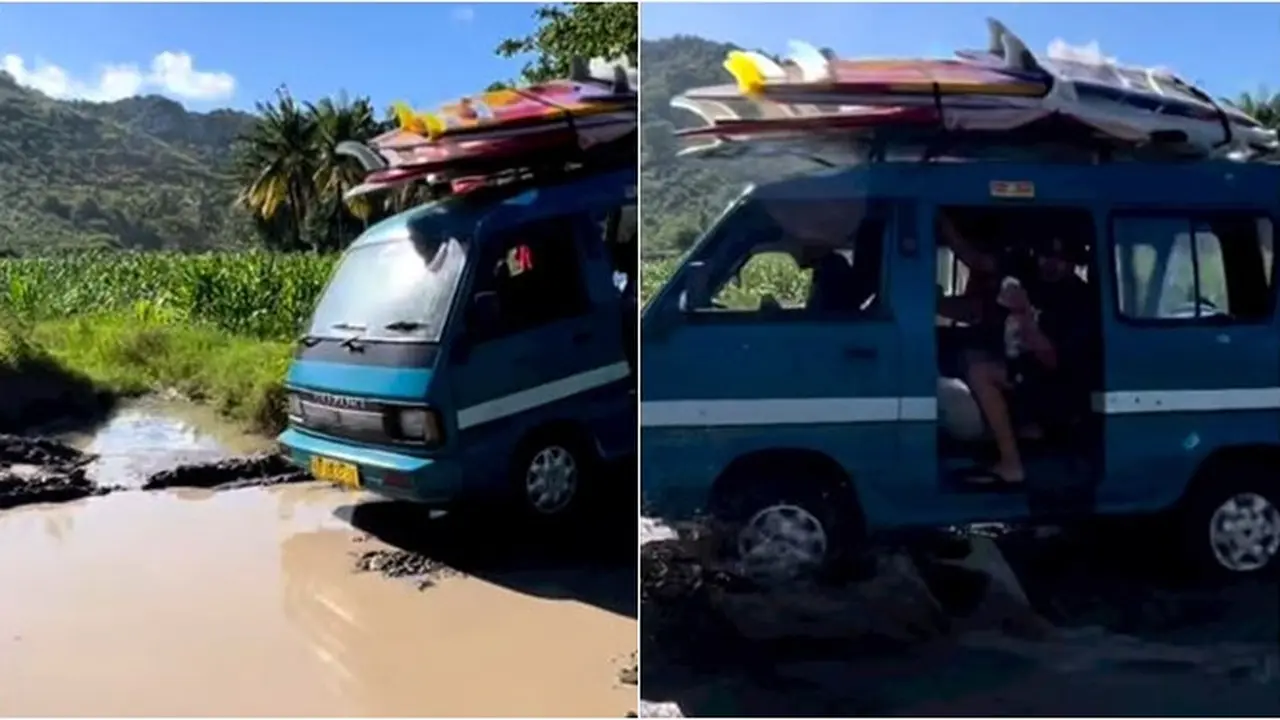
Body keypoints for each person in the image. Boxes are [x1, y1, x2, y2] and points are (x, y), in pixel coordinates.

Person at [936, 214, 1089, 485]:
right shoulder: (1027, 273)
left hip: (1052, 380)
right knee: (968, 355)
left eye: (1061, 258)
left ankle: (1011, 463)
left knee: (980, 372)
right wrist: (944, 224)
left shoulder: (1076, 299)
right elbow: (977, 262)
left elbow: (1052, 359)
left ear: (1073, 261)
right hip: (1019, 365)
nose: (1051, 263)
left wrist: (1024, 314)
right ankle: (1014, 432)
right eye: (1046, 254)